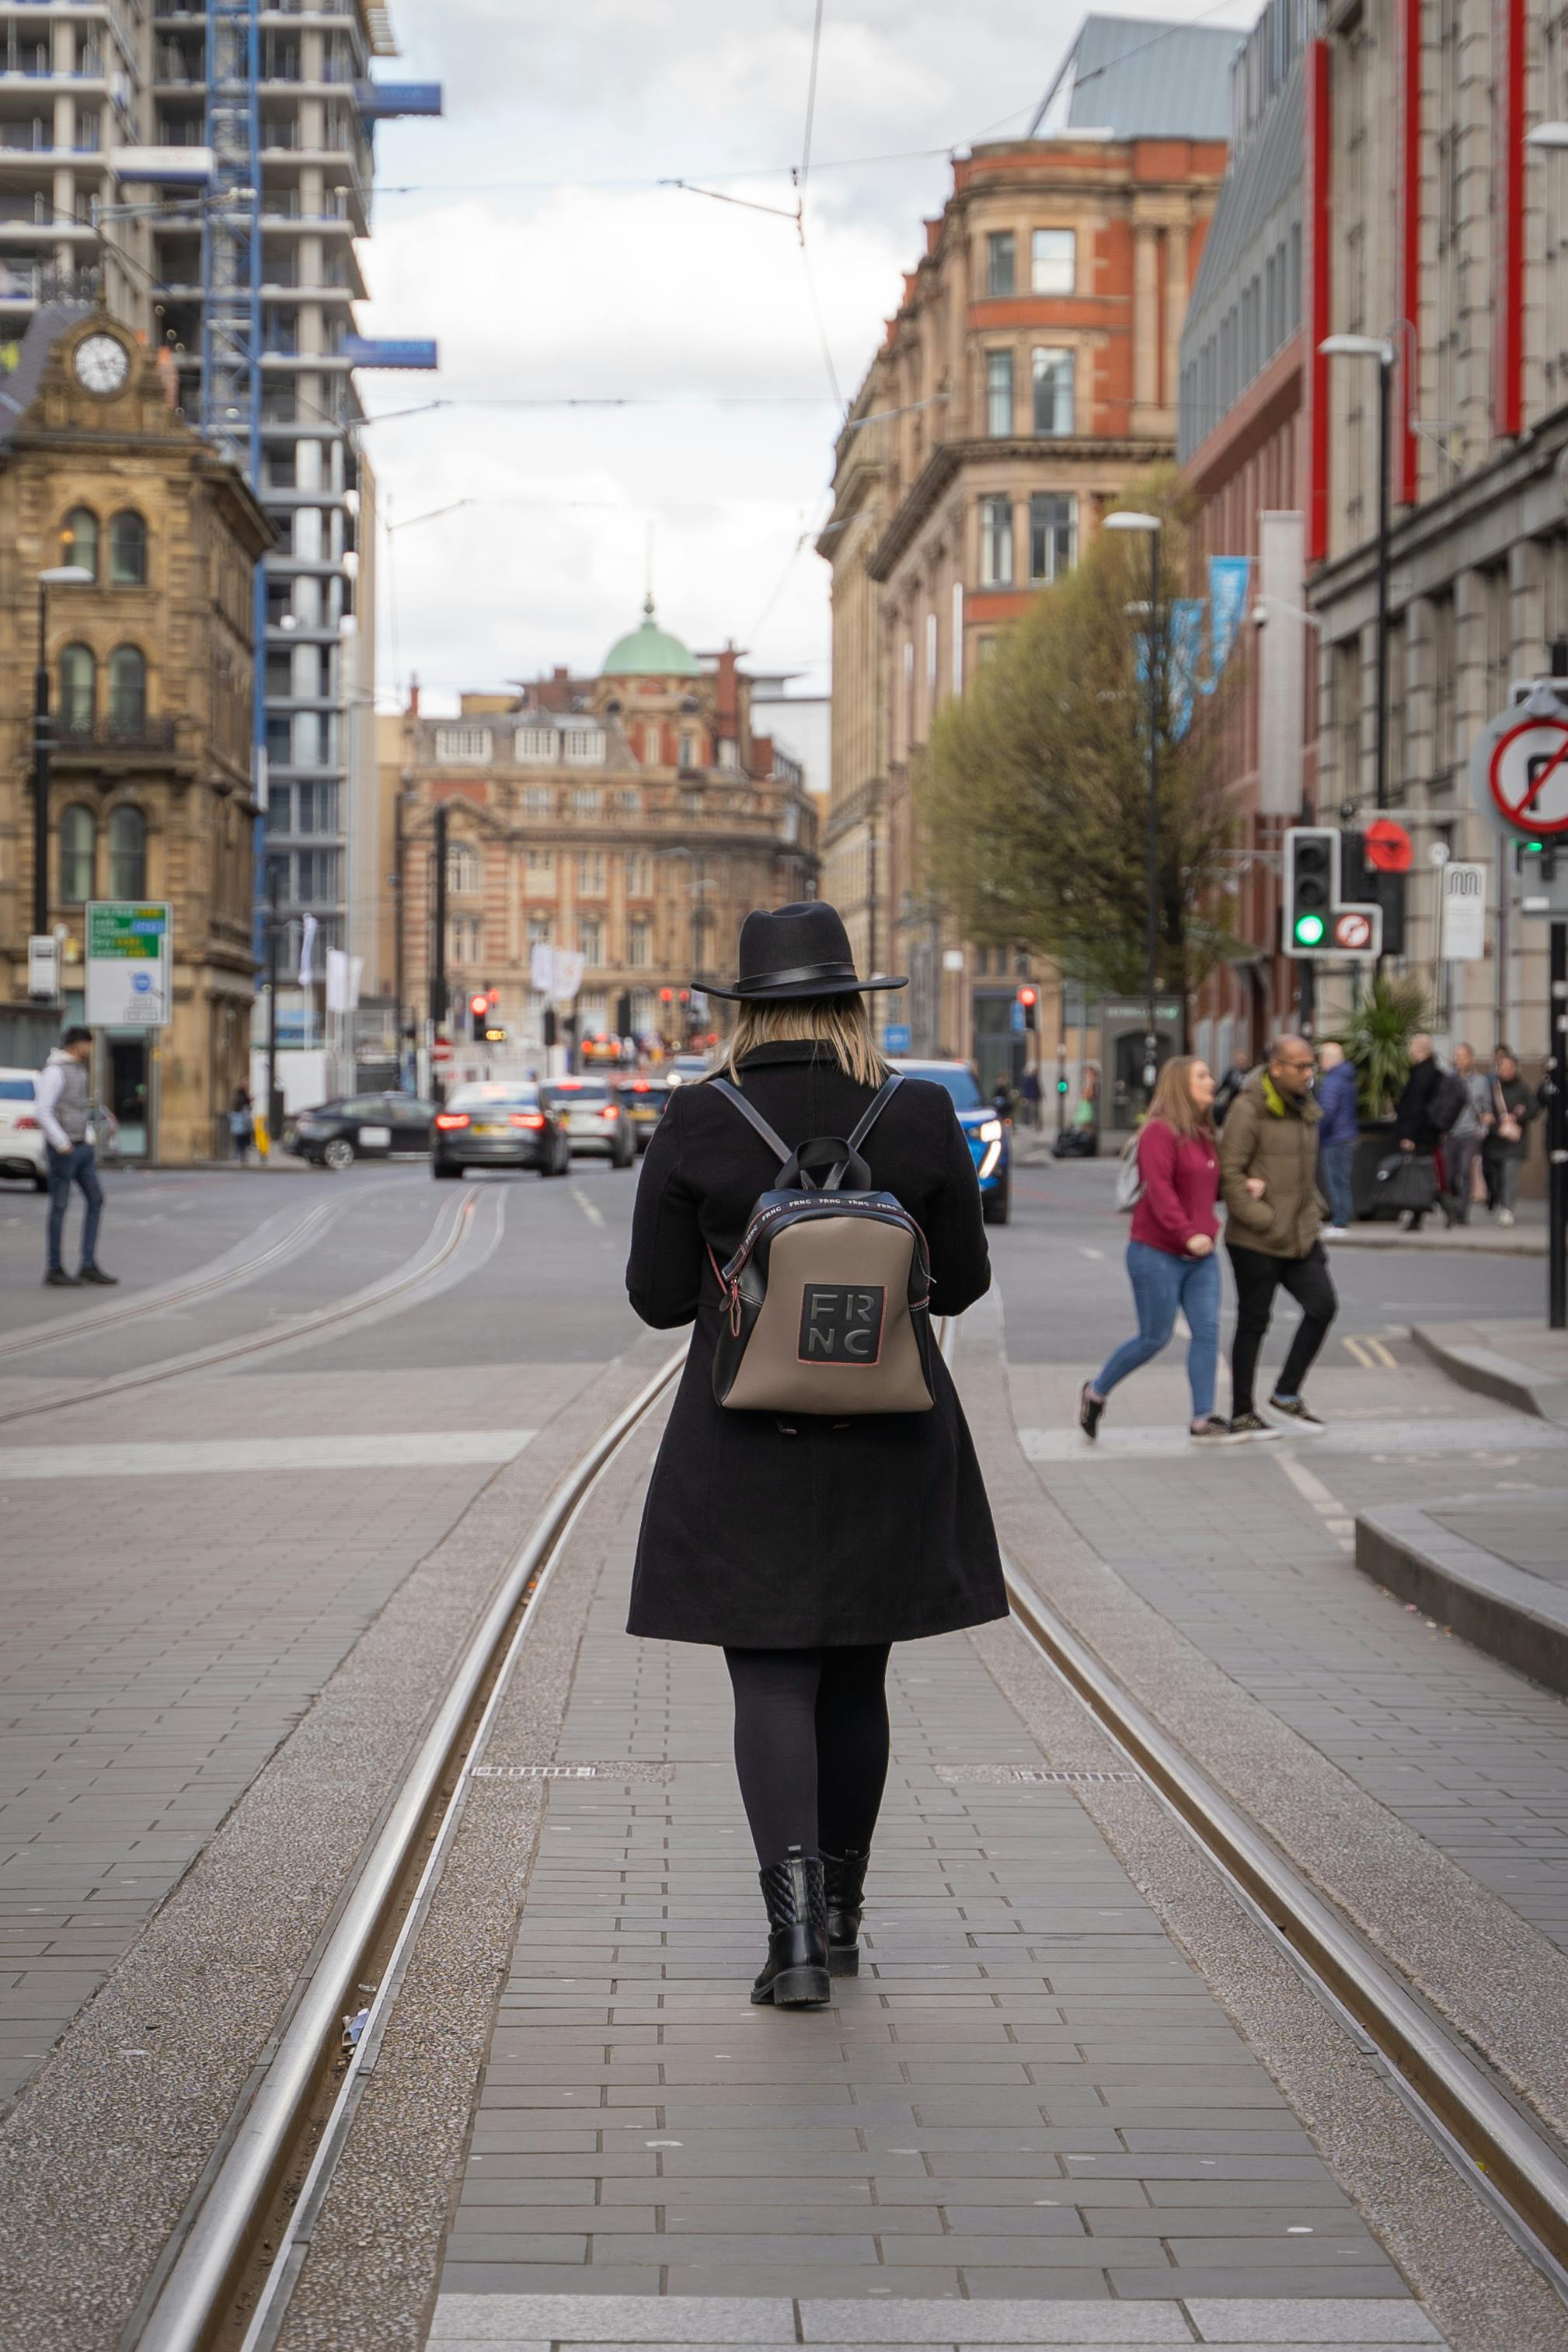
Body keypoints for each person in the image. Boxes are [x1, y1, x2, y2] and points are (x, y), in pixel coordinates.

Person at [625, 901, 1006, 2009]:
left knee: (772, 1679)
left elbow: (655, 1299)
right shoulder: (921, 1109)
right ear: (852, 1001)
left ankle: (790, 1946)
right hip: (892, 1434)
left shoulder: (701, 1116)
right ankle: (840, 1919)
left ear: (744, 1011)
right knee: (857, 1674)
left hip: (745, 1439)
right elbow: (964, 1283)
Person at [1078, 1057, 1230, 1444]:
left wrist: (1245, 1190)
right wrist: (1186, 1233)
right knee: (1154, 1337)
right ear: (1181, 1084)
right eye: (1202, 1076)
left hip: (1201, 1256)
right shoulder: (1158, 1133)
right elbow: (1160, 1192)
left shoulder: (1203, 1132)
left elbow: (1209, 1190)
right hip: (1156, 1252)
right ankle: (1096, 1392)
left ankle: (1202, 1418)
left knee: (1207, 1331)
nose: (1212, 1081)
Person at [1219, 1033, 1336, 1437]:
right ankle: (1242, 1412)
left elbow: (1304, 1171)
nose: (1308, 1073)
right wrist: (1262, 1217)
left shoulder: (1304, 1106)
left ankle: (1286, 1393)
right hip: (1256, 1237)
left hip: (1300, 1233)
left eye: (1311, 1066)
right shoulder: (1249, 1109)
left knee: (1323, 1305)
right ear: (1277, 1068)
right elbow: (1230, 1172)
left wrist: (1315, 1208)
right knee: (1254, 1322)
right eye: (1301, 1066)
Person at [36, 1026, 116, 1291]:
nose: (90, 1050)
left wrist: (89, 1135)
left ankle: (88, 1263)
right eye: (88, 1044)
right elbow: (43, 1111)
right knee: (59, 1206)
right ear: (78, 1044)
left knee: (96, 1198)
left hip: (82, 1148)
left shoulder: (78, 1069)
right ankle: (54, 1267)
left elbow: (80, 1107)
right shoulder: (54, 1071)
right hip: (65, 1150)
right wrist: (61, 1143)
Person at [1392, 1033, 1456, 1232]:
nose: (1409, 1051)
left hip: (1420, 1134)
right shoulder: (1434, 1072)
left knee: (1421, 1175)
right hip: (1429, 1132)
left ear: (1420, 1050)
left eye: (1411, 1047)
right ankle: (1419, 1216)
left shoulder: (1422, 1074)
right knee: (1422, 1174)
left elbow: (1415, 1108)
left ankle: (1442, 1207)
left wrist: (1409, 1136)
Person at [1484, 1048, 1537, 1227]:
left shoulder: (1523, 1088)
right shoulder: (1492, 1088)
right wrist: (1488, 1118)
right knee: (1496, 1176)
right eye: (1502, 1067)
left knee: (1510, 1173)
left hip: (1515, 1141)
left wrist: (1518, 1116)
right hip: (1495, 1140)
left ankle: (1508, 1209)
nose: (1505, 1071)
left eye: (1509, 1067)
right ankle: (1500, 1201)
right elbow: (1484, 1107)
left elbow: (1533, 1109)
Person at [1444, 1044, 1490, 1225]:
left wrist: (1483, 1130)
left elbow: (1487, 1108)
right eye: (1456, 1056)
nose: (1458, 1060)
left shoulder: (1481, 1082)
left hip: (1471, 1133)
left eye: (1462, 1056)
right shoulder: (1449, 1080)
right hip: (1451, 1132)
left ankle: (1463, 1211)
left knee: (1465, 1170)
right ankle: (1453, 1206)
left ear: (1471, 1058)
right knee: (1449, 1174)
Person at [1315, 1040, 1358, 1235]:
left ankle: (1340, 1223)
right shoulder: (1348, 1078)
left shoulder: (1332, 1081)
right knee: (1343, 1181)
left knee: (1336, 1182)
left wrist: (1318, 1131)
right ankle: (1342, 1220)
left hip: (1335, 1138)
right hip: (1347, 1135)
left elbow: (1327, 1111)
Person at [228, 1084, 255, 1166]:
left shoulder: (234, 1103)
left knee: (237, 1143)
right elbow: (247, 1117)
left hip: (236, 1129)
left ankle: (236, 1155)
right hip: (243, 1129)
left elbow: (230, 1115)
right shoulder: (244, 1104)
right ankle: (242, 1157)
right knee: (243, 1144)